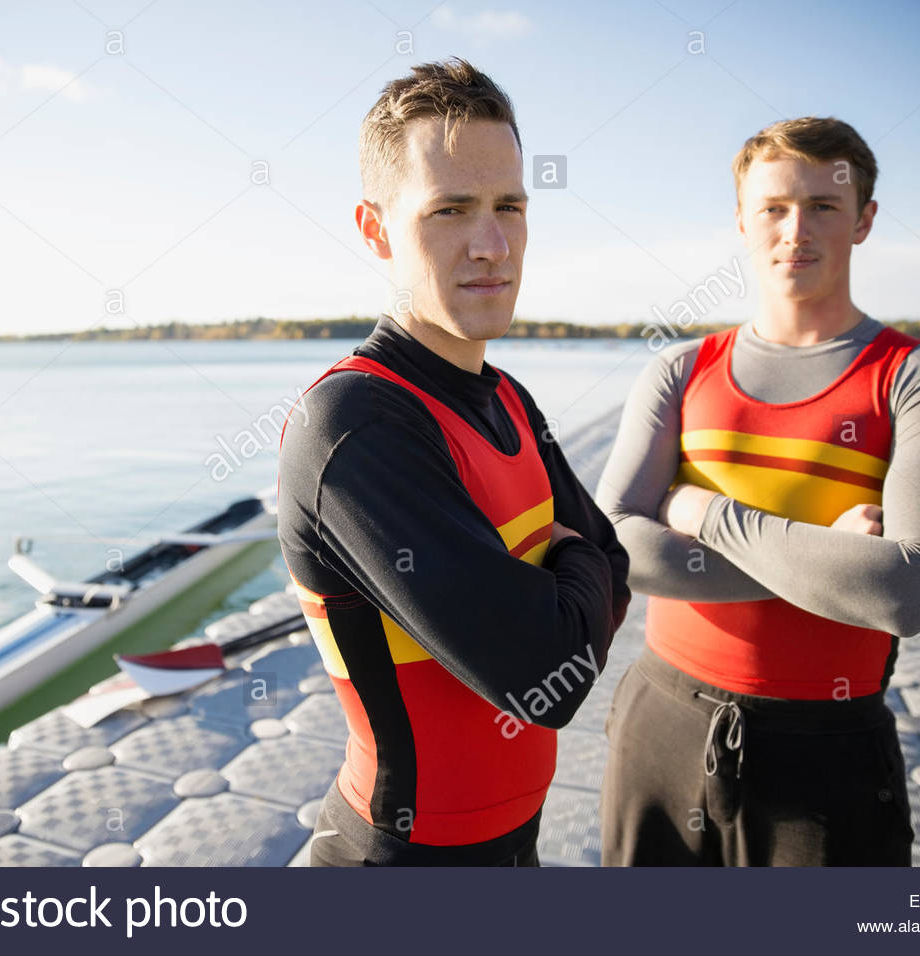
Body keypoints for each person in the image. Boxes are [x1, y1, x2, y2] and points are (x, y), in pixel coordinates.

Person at [595, 116, 920, 866]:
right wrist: (827, 564)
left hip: (826, 747)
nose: (795, 230)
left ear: (865, 220)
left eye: (824, 206)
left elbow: (906, 596)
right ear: (742, 220)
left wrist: (696, 509)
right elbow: (616, 545)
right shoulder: (680, 371)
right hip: (660, 718)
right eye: (773, 207)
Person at [278, 58, 630, 867]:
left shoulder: (504, 394)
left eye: (510, 205)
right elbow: (552, 673)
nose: (493, 244)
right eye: (451, 210)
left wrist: (574, 571)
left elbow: (615, 562)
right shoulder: (358, 425)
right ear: (376, 230)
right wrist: (573, 562)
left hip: (515, 847)